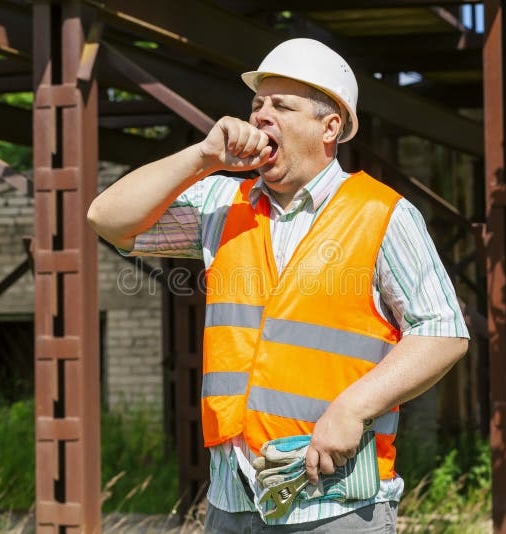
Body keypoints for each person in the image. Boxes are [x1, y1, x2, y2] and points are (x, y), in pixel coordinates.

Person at [88, 38, 469, 532]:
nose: (261, 116)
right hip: (233, 503)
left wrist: (354, 408)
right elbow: (108, 218)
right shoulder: (223, 201)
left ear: (330, 126)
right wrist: (203, 156)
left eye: (282, 106)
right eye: (256, 105)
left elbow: (443, 330)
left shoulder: (382, 214)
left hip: (333, 503)